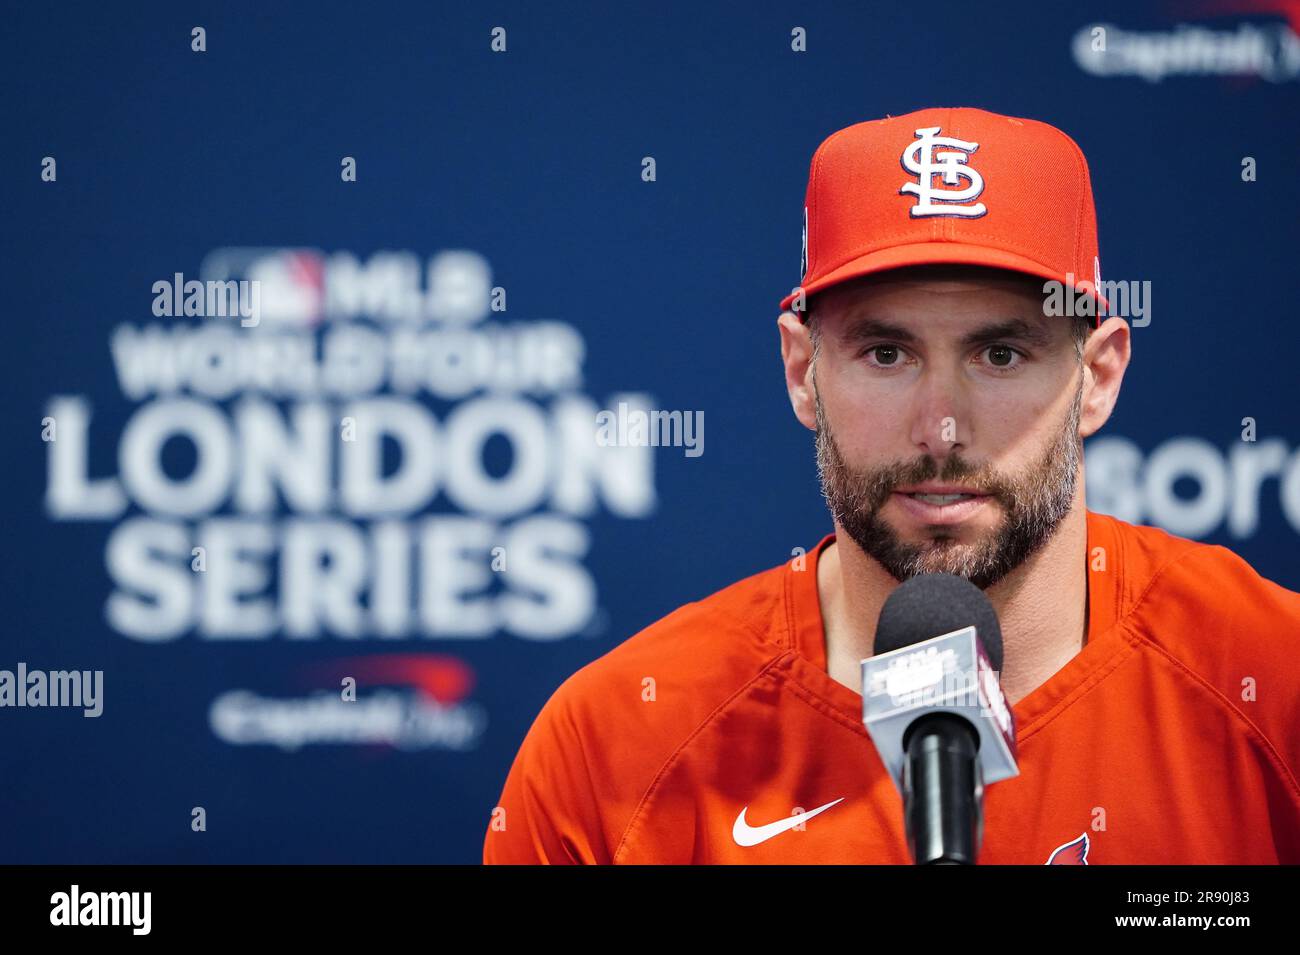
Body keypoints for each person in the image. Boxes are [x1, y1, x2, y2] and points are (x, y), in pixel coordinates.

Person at [483, 107, 1300, 864]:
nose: (940, 428)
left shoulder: (1272, 682)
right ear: (803, 372)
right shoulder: (617, 743)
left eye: (999, 354)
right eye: (887, 354)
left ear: (1099, 375)